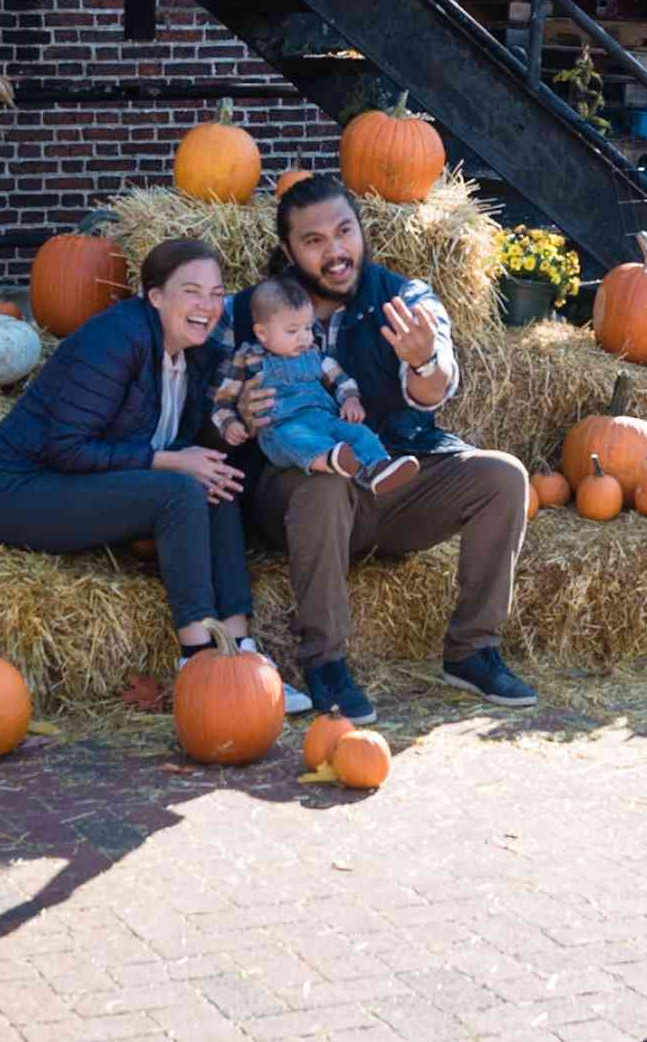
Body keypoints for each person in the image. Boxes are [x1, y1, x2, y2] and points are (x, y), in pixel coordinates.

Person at [216, 174, 535, 724]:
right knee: (325, 486)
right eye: (314, 241)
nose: (336, 251)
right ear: (288, 250)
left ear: (361, 231)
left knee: (504, 477)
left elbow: (436, 389)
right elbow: (199, 407)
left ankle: (472, 651)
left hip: (393, 478)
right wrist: (236, 415)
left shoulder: (406, 300)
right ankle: (326, 662)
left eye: (345, 232)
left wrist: (423, 359)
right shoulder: (244, 314)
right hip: (299, 489)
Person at [0, 237, 312, 714]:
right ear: (155, 296)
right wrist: (170, 461)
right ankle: (198, 660)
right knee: (180, 489)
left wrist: (233, 429)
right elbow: (66, 447)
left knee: (217, 480)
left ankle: (241, 653)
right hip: (14, 489)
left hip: (85, 484)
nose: (208, 306)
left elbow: (190, 440)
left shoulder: (197, 353)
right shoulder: (117, 339)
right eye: (192, 292)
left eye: (216, 294)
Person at [210, 271, 421, 494]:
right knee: (294, 438)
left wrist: (351, 399)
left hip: (324, 419)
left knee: (357, 431)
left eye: (308, 327)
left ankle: (378, 467)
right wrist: (229, 424)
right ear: (262, 333)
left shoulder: (314, 354)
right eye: (292, 331)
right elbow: (223, 400)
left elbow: (341, 380)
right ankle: (330, 460)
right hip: (282, 427)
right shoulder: (248, 359)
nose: (304, 337)